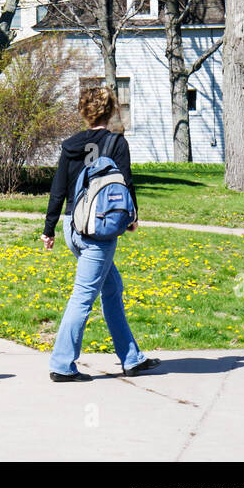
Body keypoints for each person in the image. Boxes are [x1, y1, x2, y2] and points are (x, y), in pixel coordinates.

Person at [43, 85, 161, 382]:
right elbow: (126, 183)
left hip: (73, 226)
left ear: (83, 112)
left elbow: (58, 190)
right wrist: (132, 217)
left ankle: (132, 358)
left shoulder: (70, 145)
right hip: (99, 229)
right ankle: (61, 364)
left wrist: (49, 230)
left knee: (111, 289)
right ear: (111, 111)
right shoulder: (116, 143)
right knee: (83, 297)